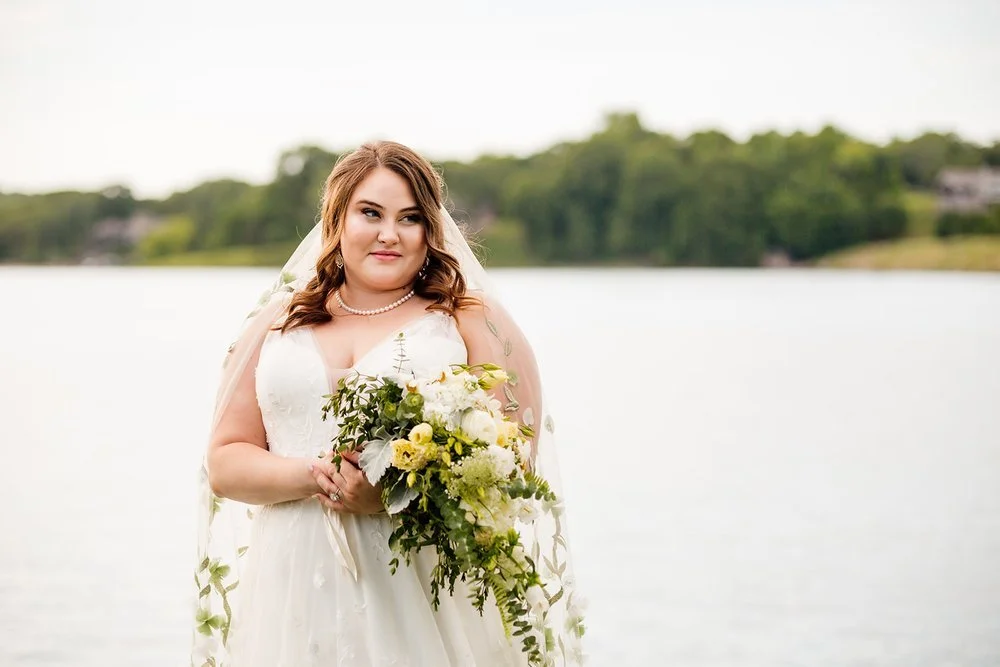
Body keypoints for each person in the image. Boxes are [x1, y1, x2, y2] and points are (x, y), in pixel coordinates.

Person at [191, 141, 584, 666]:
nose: (388, 234)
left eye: (410, 218)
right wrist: (316, 474)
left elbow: (512, 470)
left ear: (430, 229)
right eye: (370, 213)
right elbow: (225, 461)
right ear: (338, 220)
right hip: (290, 586)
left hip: (418, 587)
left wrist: (391, 497)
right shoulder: (279, 322)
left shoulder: (467, 319)